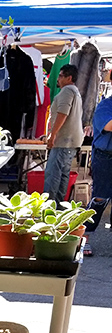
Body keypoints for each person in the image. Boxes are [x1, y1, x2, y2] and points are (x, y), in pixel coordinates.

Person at [43, 64, 84, 203]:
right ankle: (59, 207)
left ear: (69, 78)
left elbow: (62, 114)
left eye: (61, 76)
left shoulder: (67, 91)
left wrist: (52, 134)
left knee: (53, 174)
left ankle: (49, 208)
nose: (58, 79)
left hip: (64, 140)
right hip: (71, 141)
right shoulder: (75, 91)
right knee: (62, 174)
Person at [85, 95, 112, 234]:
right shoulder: (106, 105)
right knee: (100, 199)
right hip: (105, 157)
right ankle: (85, 235)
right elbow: (109, 125)